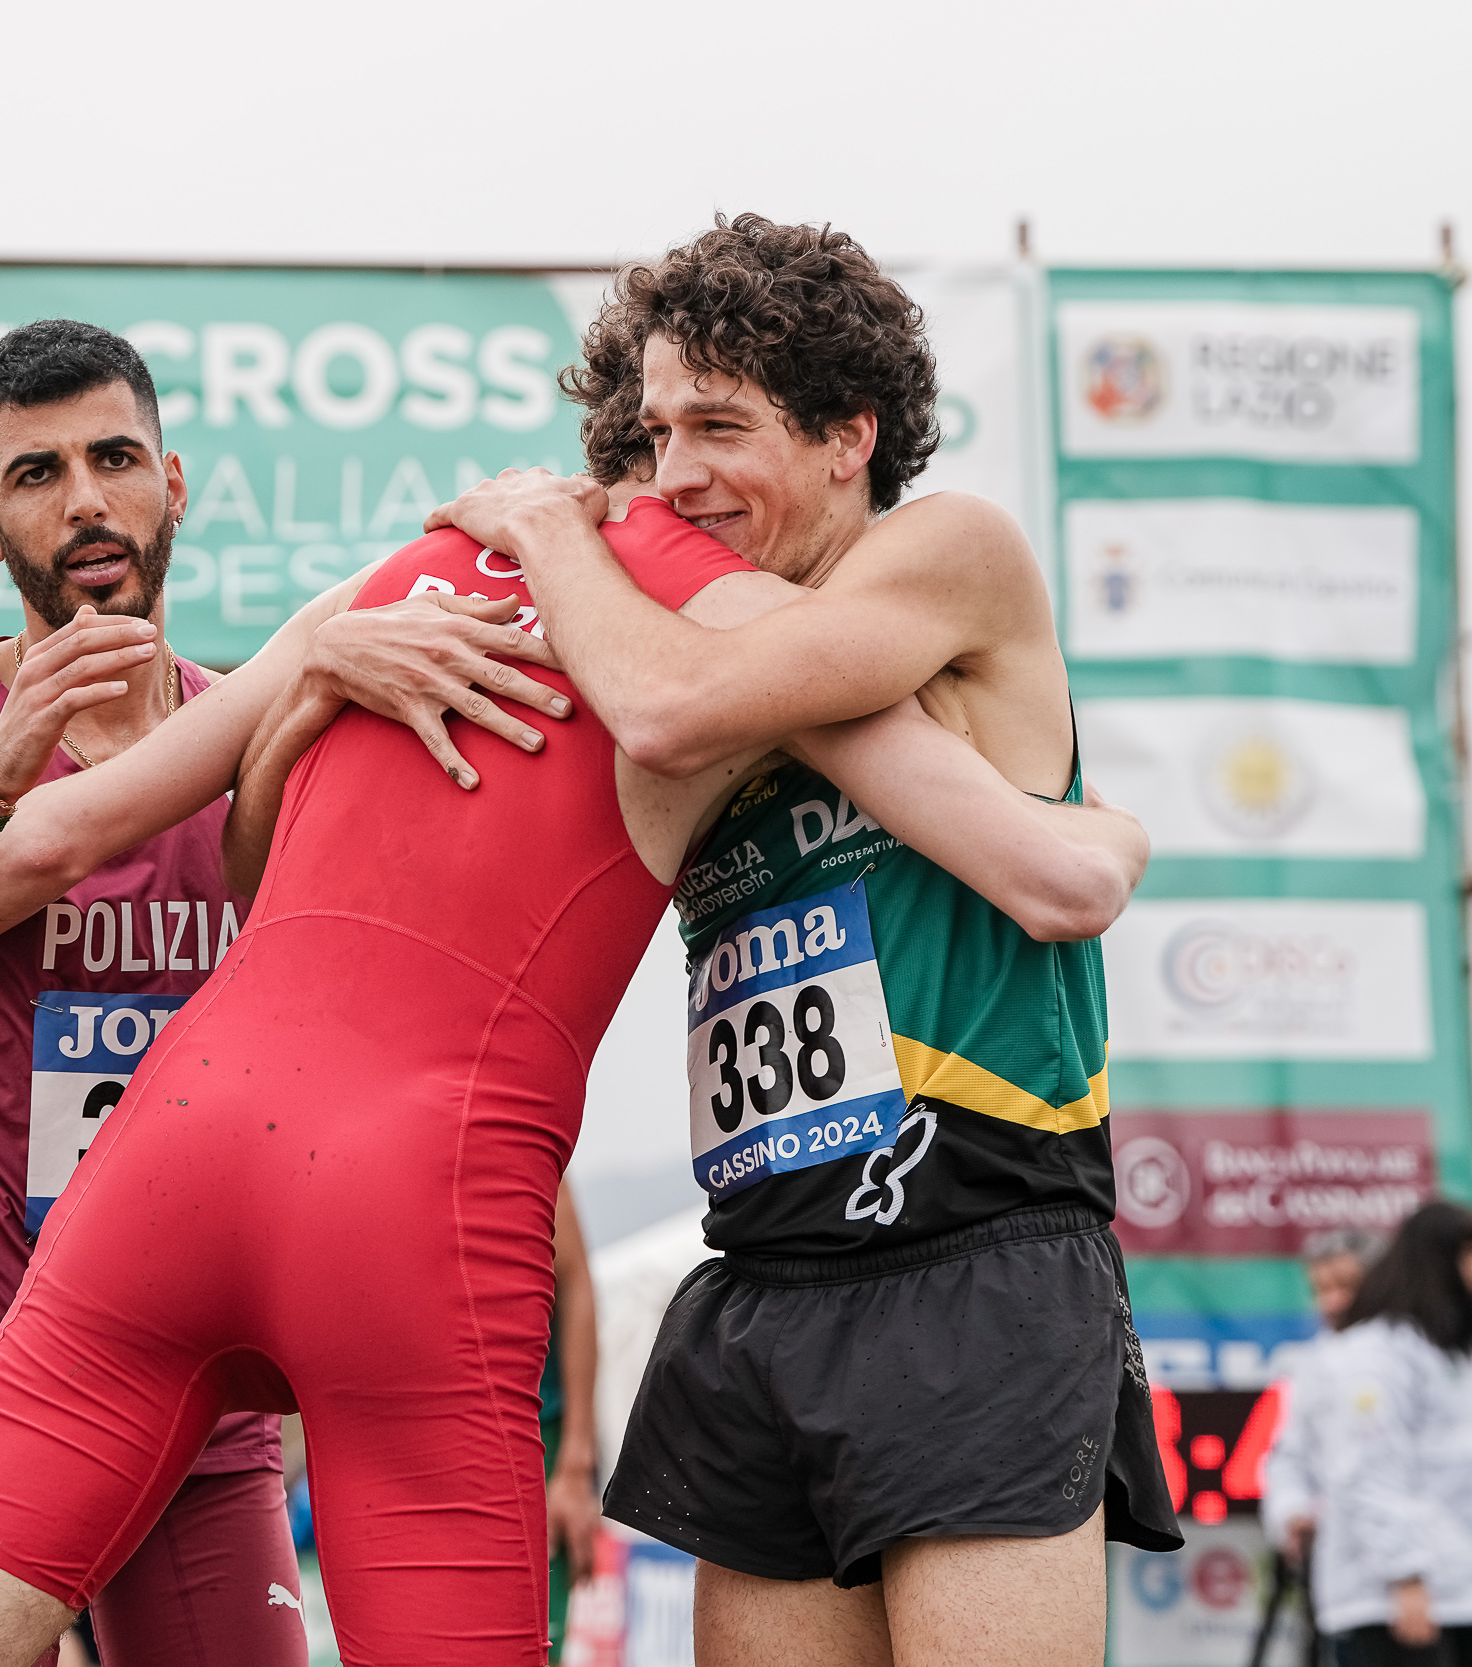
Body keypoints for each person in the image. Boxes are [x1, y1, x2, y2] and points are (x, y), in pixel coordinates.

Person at [0, 324, 1154, 1663]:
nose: (690, 468)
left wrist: (305, 687)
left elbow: (171, 843)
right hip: (414, 1201)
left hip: (169, 1150)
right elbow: (1035, 865)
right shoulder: (738, 631)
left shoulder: (392, 580)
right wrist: (1116, 828)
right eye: (678, 432)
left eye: (713, 427)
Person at [428, 215, 1182, 1664]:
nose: (675, 473)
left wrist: (546, 525)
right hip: (766, 1267)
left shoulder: (943, 546)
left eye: (721, 423)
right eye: (649, 435)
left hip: (973, 1247)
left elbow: (666, 705)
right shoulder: (672, 636)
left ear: (851, 433)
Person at [0, 319, 571, 1663]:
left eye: (114, 456)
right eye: (38, 474)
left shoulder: (256, 724)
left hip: (190, 1377)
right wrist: (3, 768)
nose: (85, 496)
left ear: (177, 482)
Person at [1289, 1202, 1472, 1667]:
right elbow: (1368, 1470)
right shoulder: (1373, 1354)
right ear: (1439, 1261)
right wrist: (1405, 1576)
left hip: (1471, 1589)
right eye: (1471, 1256)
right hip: (1394, 1599)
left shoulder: (1463, 1357)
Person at [1262, 1227, 1388, 1667]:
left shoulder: (1417, 1355)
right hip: (1348, 1585)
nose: (1331, 1301)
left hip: (1432, 1586)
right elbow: (1289, 1459)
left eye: (1345, 1287)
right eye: (1322, 1289)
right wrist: (1293, 1512)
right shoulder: (1314, 1367)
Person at [545, 1182, 600, 1662]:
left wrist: (575, 1466)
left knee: (531, 1644)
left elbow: (575, 1281)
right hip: (417, 1439)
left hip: (533, 1441)